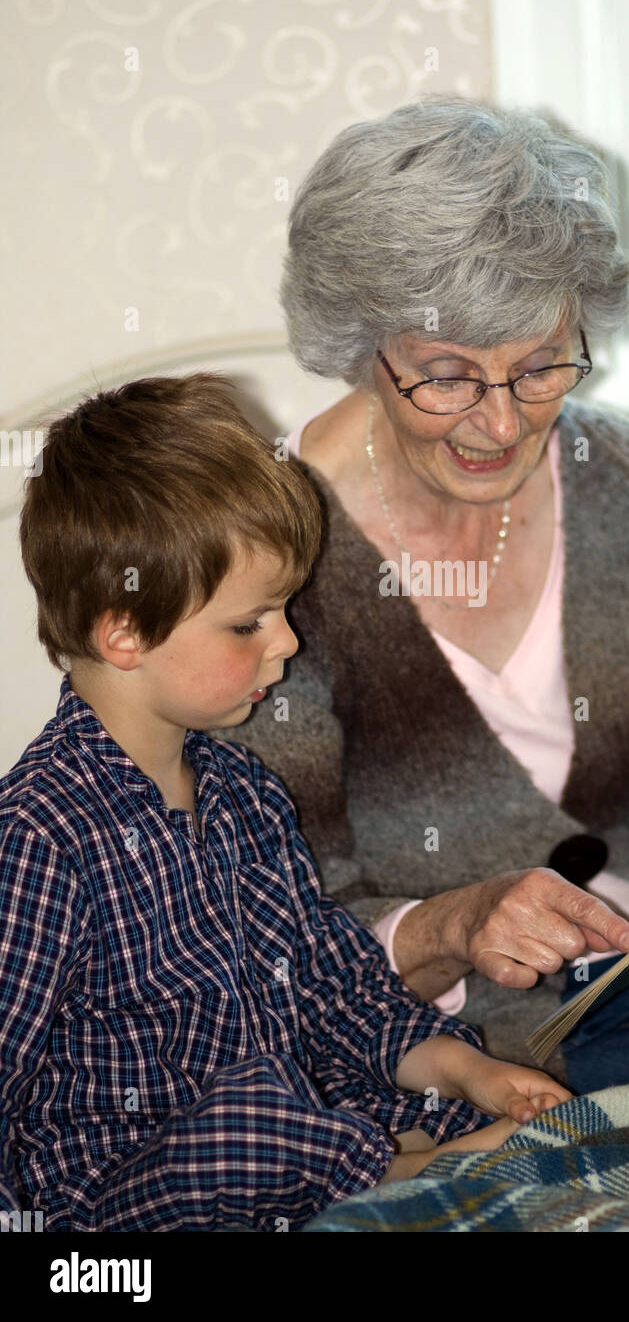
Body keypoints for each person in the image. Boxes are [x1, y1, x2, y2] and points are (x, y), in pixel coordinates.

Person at [214, 94, 629, 1145]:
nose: (503, 420)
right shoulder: (260, 562)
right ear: (359, 342)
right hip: (512, 1040)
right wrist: (454, 922)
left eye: (539, 364)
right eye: (446, 377)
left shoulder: (609, 472)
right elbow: (267, 925)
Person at [0, 373, 570, 1233]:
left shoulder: (245, 794)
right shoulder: (39, 833)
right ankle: (411, 1169)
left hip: (295, 1135)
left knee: (368, 1090)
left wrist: (462, 1070)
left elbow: (334, 985)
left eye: (286, 609)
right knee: (257, 1118)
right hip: (129, 1193)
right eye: (249, 623)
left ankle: (421, 1155)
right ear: (123, 632)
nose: (289, 641)